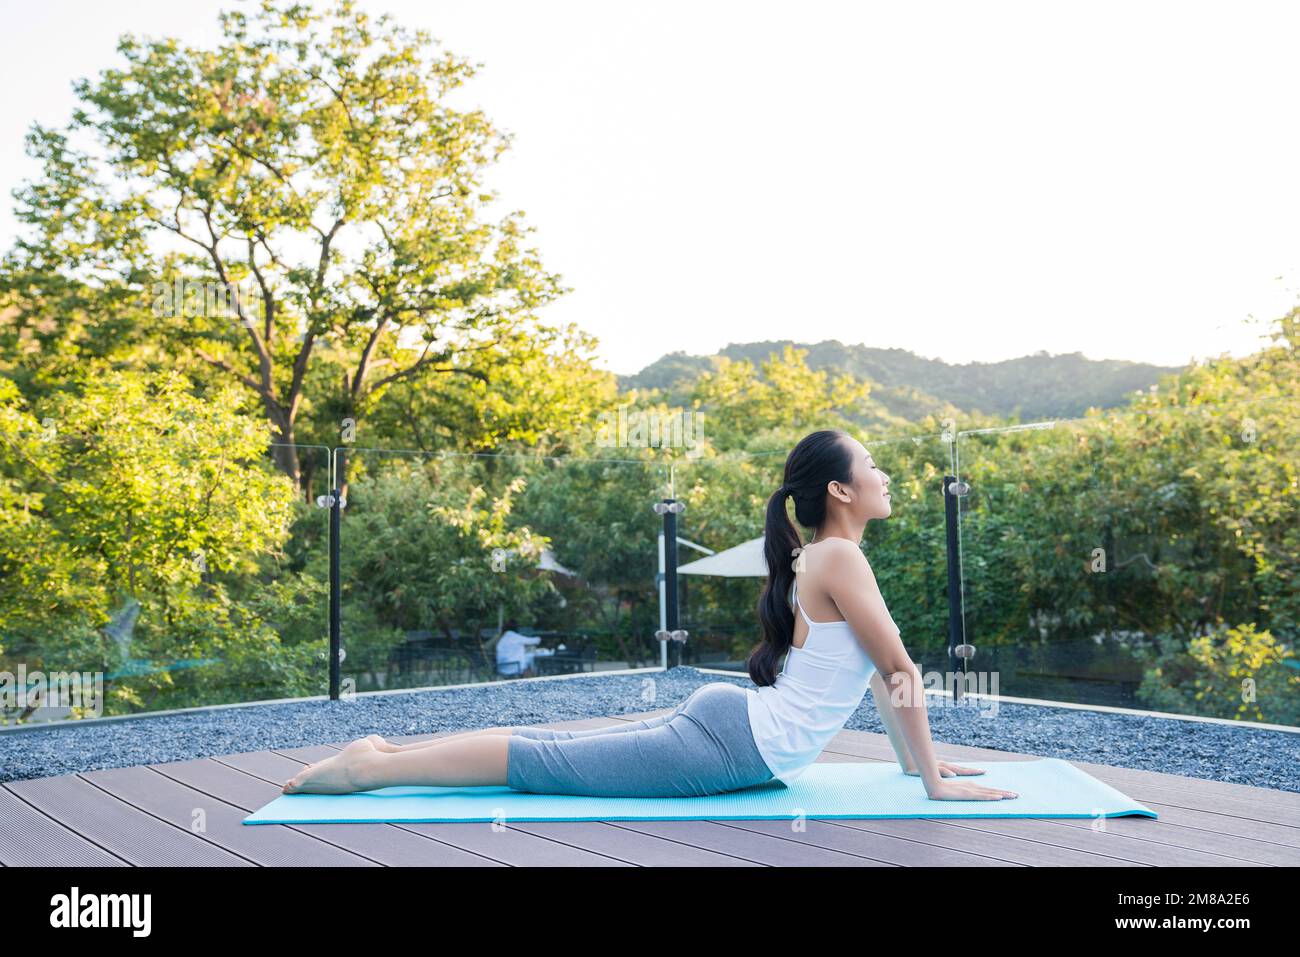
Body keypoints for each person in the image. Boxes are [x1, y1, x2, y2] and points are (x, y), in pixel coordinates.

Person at [281, 429, 1019, 804]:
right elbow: (898, 669)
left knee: (553, 749)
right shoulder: (838, 559)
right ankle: (371, 769)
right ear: (841, 490)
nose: (885, 474)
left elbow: (878, 674)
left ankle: (381, 753)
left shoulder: (823, 558)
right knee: (547, 763)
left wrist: (913, 762)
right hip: (734, 746)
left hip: (736, 728)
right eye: (872, 465)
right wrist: (932, 783)